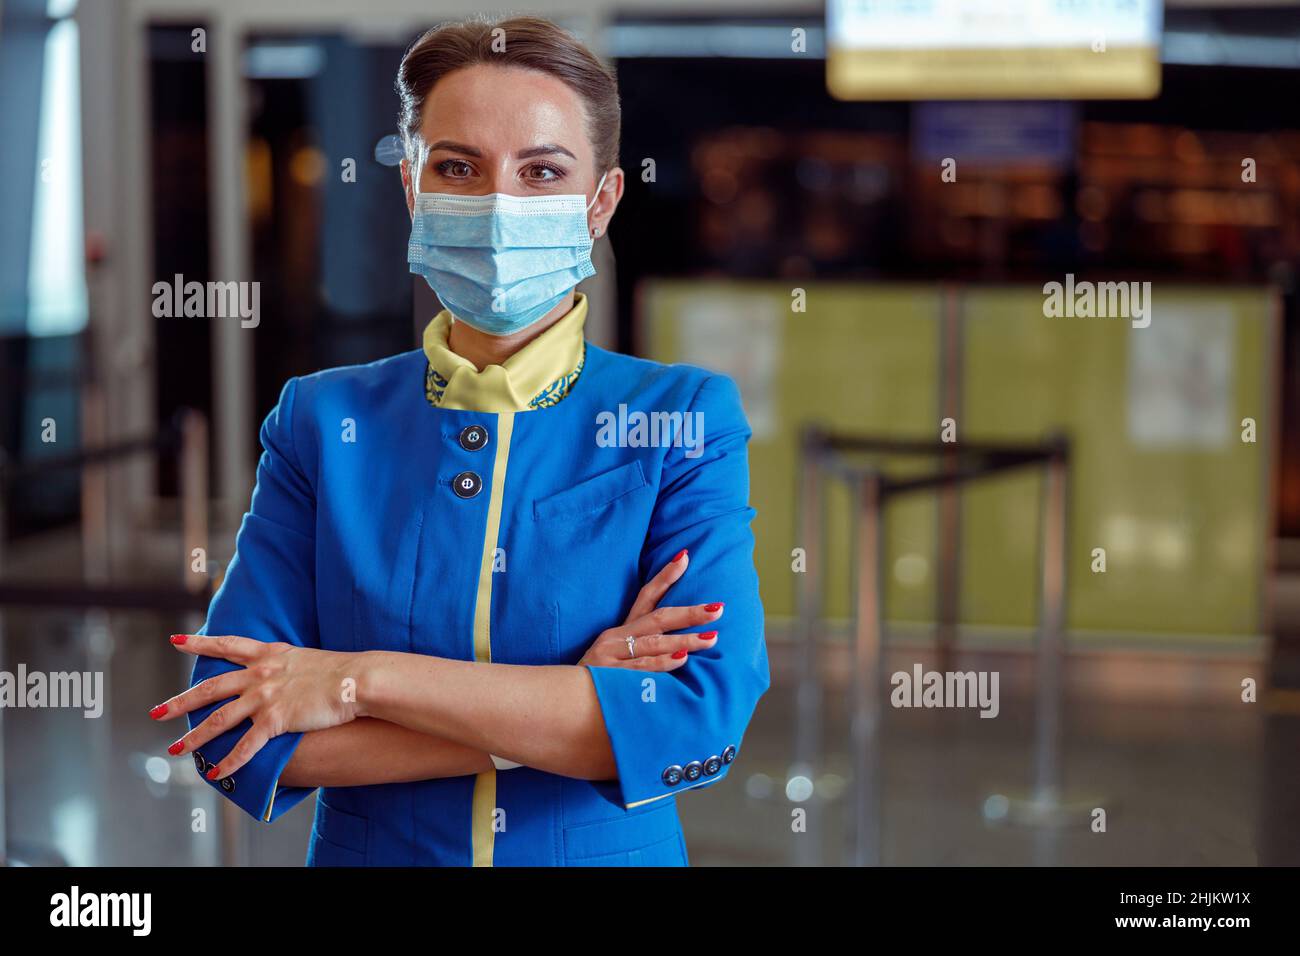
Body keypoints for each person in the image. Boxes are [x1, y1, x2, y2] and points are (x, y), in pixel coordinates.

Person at [150, 14, 768, 866]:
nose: (498, 203)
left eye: (542, 171)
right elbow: (228, 730)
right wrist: (571, 710)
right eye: (458, 168)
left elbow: (696, 719)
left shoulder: (678, 421)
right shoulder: (322, 425)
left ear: (601, 202)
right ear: (412, 189)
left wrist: (351, 681)